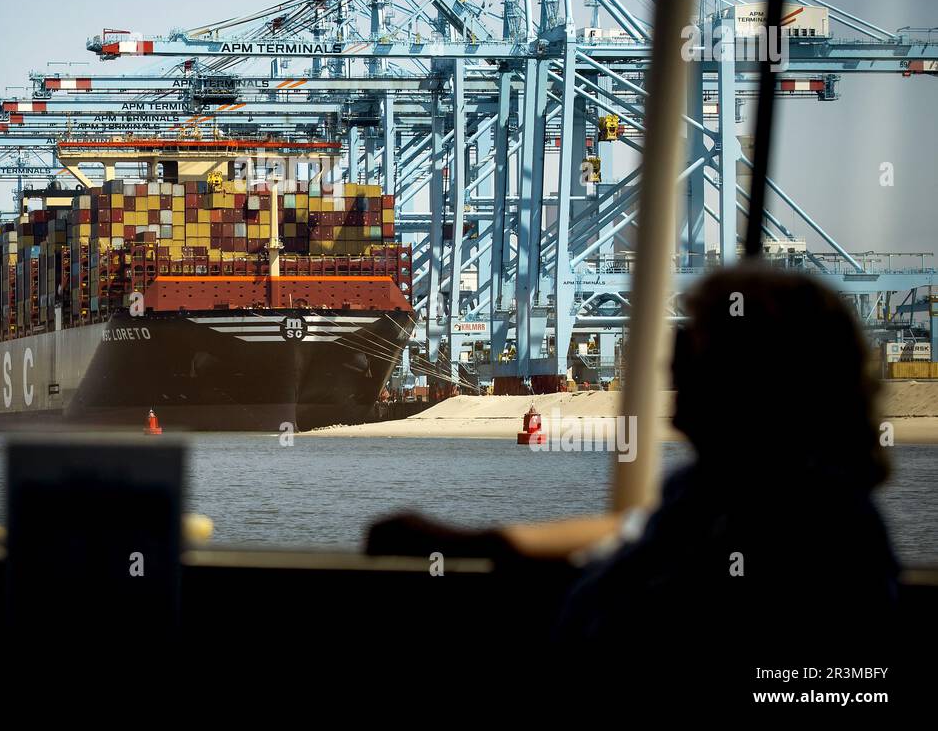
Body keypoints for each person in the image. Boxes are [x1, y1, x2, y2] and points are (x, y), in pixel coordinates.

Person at [367, 264, 900, 658]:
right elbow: (633, 529)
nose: (671, 360)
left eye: (693, 341)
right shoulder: (719, 488)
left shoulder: (815, 520)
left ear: (763, 376)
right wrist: (470, 542)